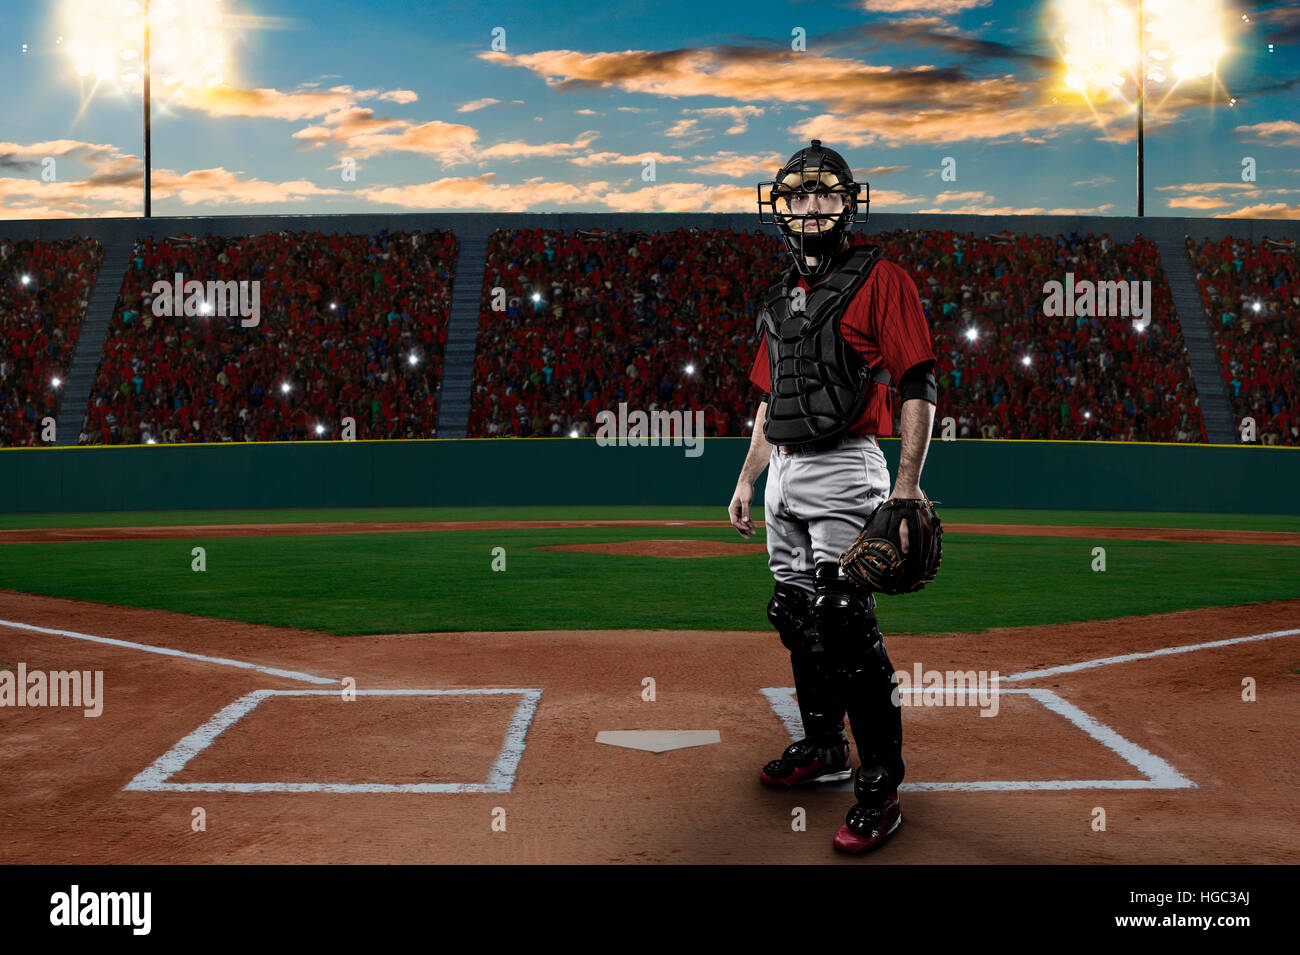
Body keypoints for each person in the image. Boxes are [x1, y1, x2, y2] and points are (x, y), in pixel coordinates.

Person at [728, 140, 938, 854]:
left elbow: (917, 382)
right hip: (783, 470)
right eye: (797, 194)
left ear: (850, 202)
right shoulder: (777, 297)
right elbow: (771, 400)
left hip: (848, 464)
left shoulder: (882, 278)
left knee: (843, 616)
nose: (810, 205)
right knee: (795, 612)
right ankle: (824, 747)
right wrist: (747, 479)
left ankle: (880, 786)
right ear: (779, 207)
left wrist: (905, 486)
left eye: (824, 193)